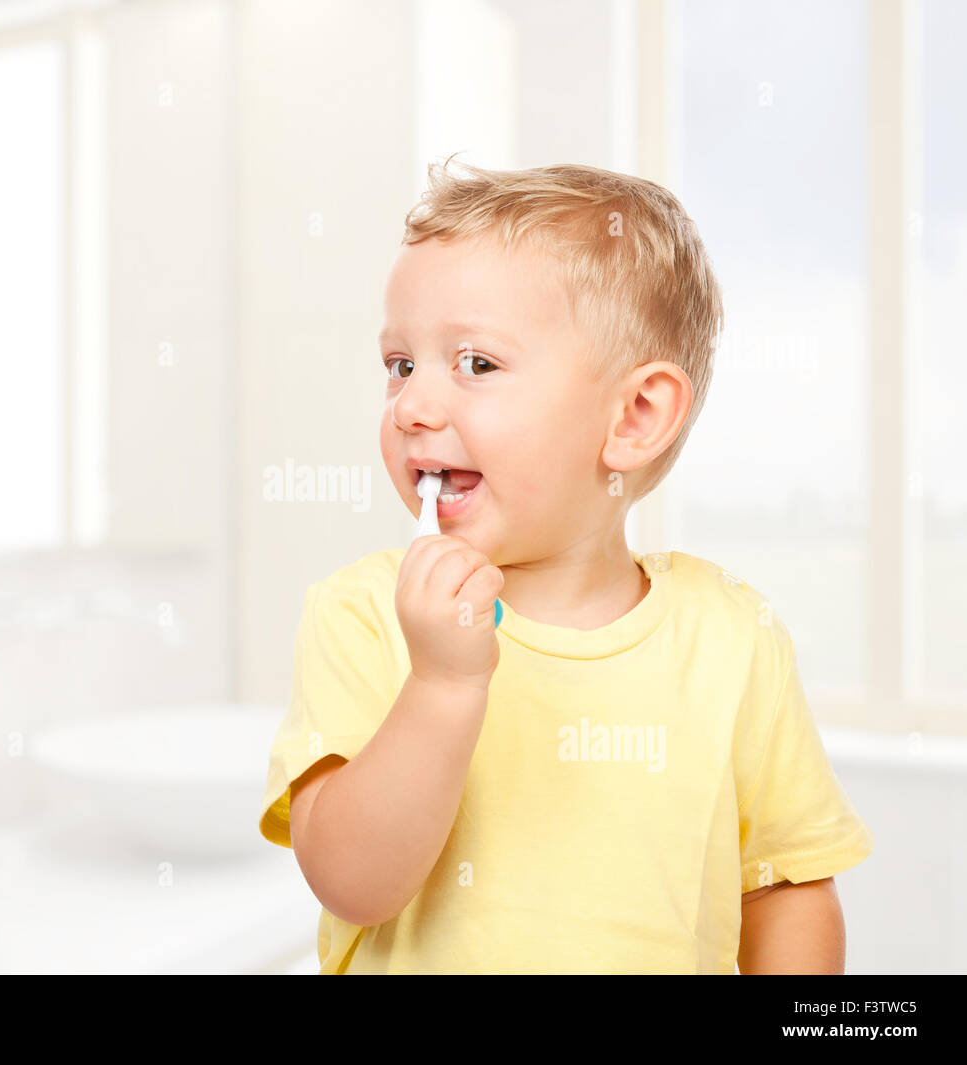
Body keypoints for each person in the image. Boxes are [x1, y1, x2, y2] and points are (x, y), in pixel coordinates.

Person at [258, 155, 874, 974]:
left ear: (635, 416)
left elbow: (786, 890)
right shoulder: (364, 613)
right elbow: (351, 883)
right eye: (400, 364)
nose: (409, 406)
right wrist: (442, 684)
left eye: (476, 363)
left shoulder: (733, 637)